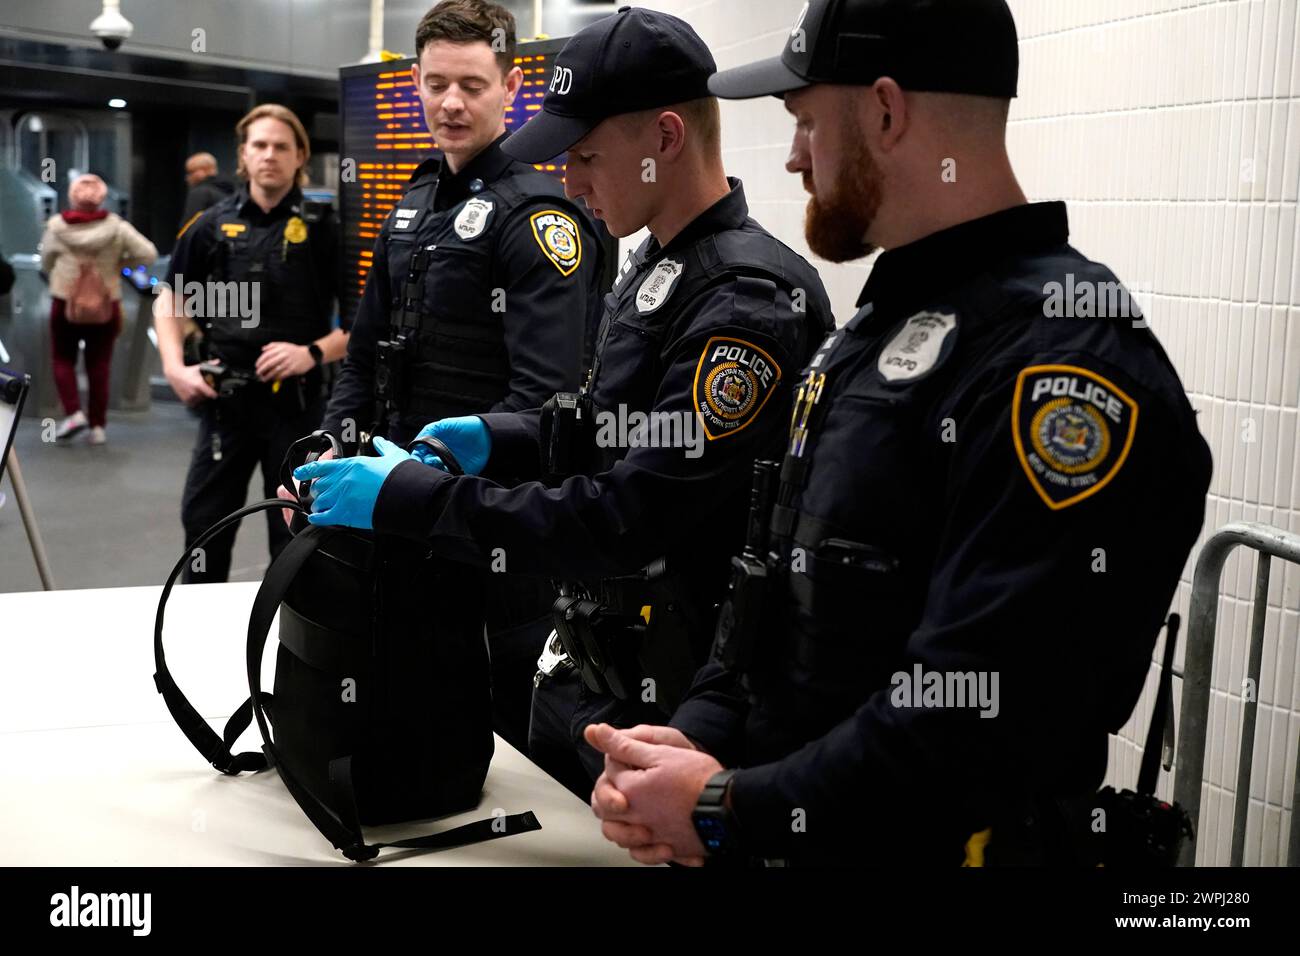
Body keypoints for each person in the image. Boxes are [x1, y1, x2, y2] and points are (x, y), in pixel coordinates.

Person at [582, 0, 1214, 867]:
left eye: (806, 123)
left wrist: (731, 807)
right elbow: (769, 589)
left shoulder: (1064, 365)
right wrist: (700, 737)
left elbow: (971, 717)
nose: (795, 156)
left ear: (885, 110)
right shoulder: (873, 332)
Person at [292, 7, 834, 796]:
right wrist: (505, 436)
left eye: (585, 156)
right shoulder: (661, 267)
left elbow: (630, 514)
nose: (571, 181)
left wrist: (421, 500)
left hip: (684, 710)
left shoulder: (742, 301)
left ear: (666, 139)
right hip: (600, 672)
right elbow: (605, 425)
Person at [299, 0, 605, 754]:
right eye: (436, 83)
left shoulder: (538, 213)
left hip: (490, 534)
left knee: (509, 745)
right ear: (415, 83)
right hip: (398, 517)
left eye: (472, 83)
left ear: (511, 85)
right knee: (413, 728)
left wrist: (423, 476)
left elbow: (548, 400)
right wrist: (333, 450)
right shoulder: (414, 203)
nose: (451, 103)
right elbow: (365, 355)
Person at [153, 103, 348, 583]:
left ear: (300, 154)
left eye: (282, 146)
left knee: (295, 530)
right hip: (225, 405)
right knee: (203, 525)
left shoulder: (326, 228)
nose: (269, 155)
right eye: (259, 145)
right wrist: (176, 368)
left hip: (298, 409)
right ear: (243, 153)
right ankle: (196, 637)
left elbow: (362, 322)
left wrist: (312, 353)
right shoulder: (211, 223)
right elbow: (169, 297)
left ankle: (289, 646)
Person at [40, 173, 157, 445]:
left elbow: (46, 261)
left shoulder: (57, 226)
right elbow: (148, 253)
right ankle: (97, 427)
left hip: (65, 303)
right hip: (106, 305)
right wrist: (119, 262)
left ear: (72, 196)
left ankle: (73, 413)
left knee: (62, 359)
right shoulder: (116, 227)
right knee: (99, 365)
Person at [178, 152, 236, 234]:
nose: (187, 177)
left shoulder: (200, 193)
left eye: (190, 172)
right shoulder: (233, 193)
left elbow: (187, 229)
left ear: (202, 171)